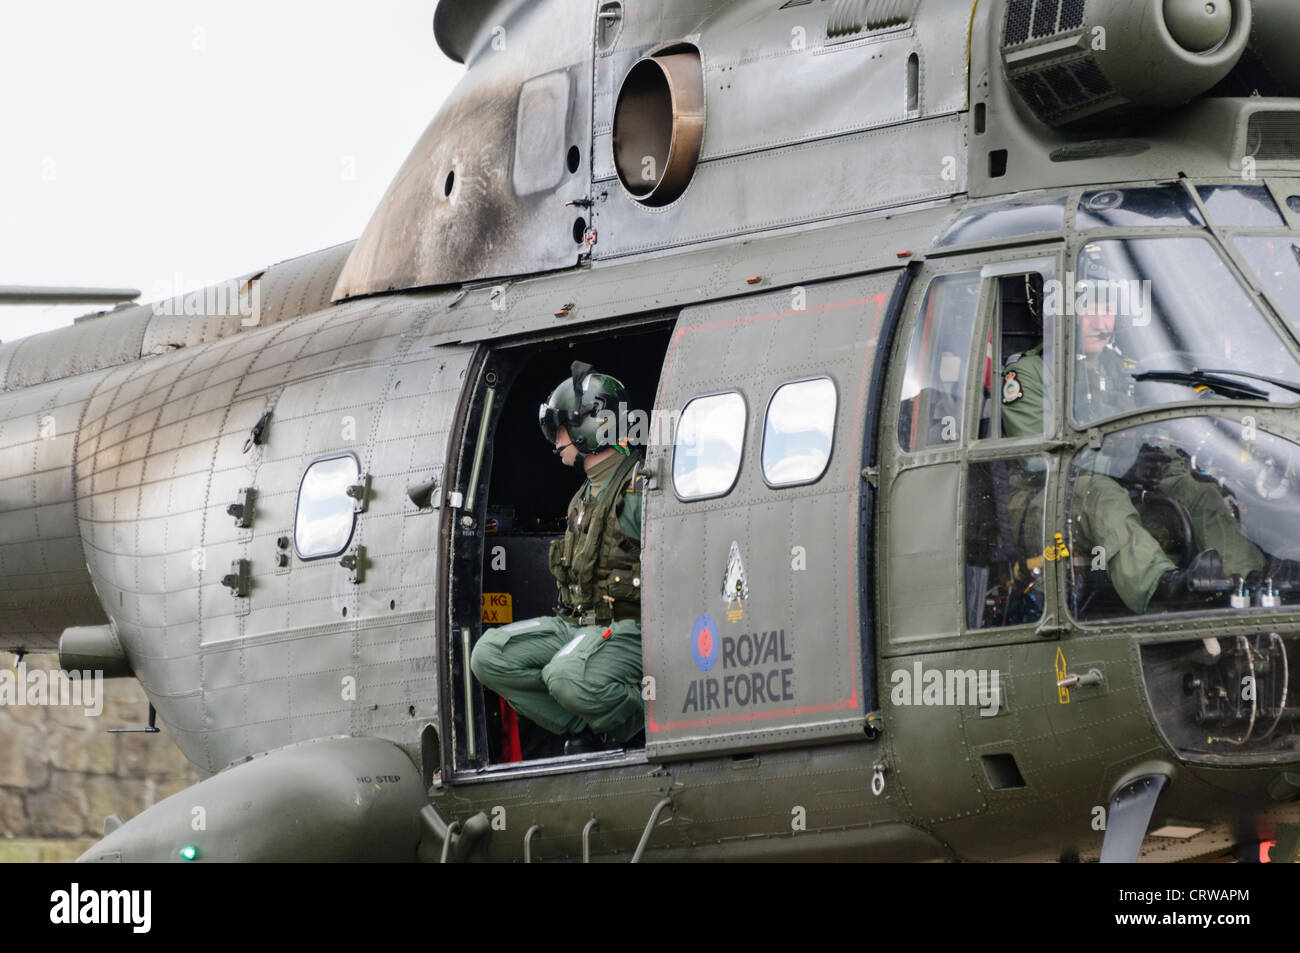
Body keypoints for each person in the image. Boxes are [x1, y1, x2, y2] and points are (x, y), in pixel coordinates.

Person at [1001, 278, 1266, 615]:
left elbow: (1139, 434)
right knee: (1101, 495)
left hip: (1116, 493)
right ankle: (1163, 589)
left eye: (1108, 310)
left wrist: (1160, 459)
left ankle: (1247, 581)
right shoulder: (1028, 374)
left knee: (1196, 490)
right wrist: (1122, 467)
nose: (1103, 322)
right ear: (1063, 315)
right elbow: (1038, 461)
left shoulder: (1114, 368)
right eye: (1090, 310)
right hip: (1043, 503)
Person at [470, 362, 646, 755]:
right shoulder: (582, 497)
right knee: (489, 655)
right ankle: (593, 724)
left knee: (563, 674)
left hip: (625, 629)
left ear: (589, 428)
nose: (556, 439)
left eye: (562, 428)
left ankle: (637, 722)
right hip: (575, 625)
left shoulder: (638, 490)